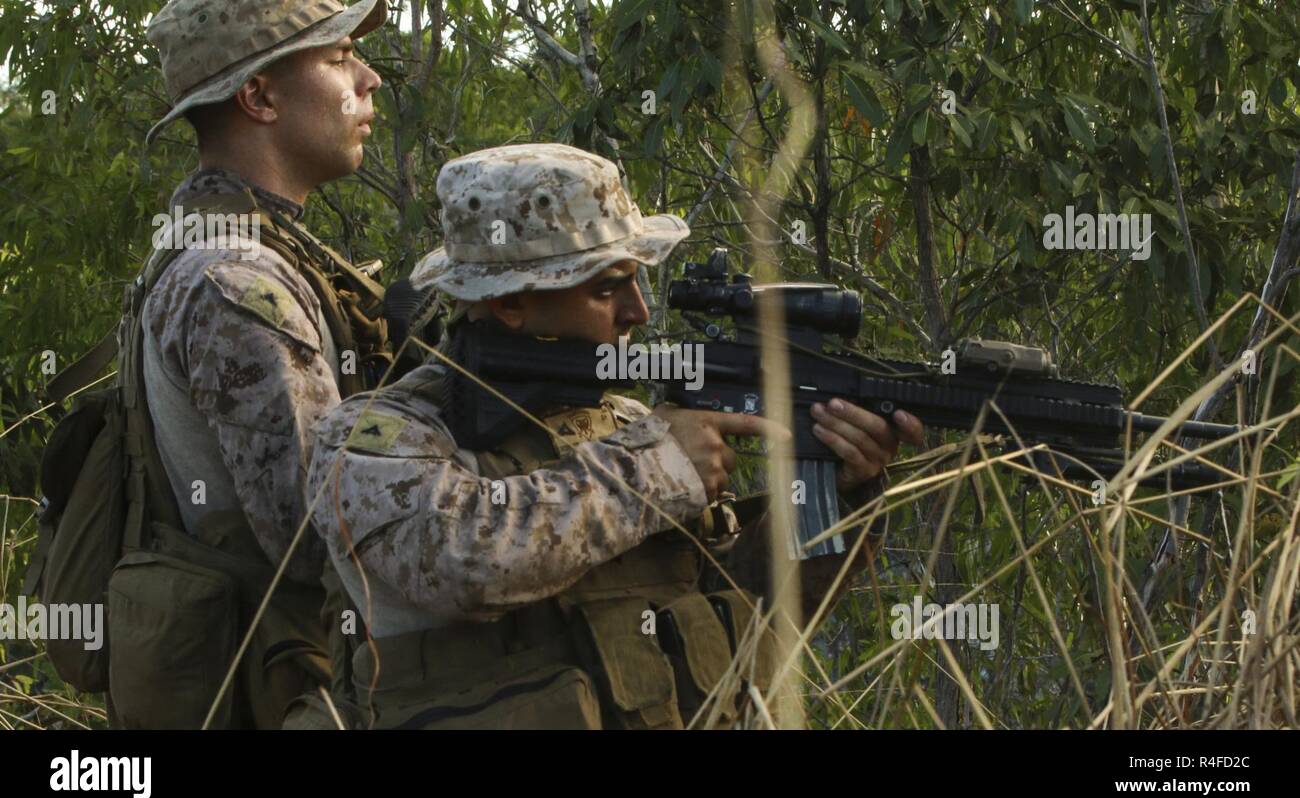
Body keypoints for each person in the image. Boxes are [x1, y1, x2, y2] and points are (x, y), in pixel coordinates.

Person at [307, 143, 925, 729]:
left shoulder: (625, 423)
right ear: (510, 305)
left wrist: (837, 499)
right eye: (605, 288)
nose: (639, 312)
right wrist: (654, 470)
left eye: (634, 280)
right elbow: (463, 561)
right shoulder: (375, 438)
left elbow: (741, 604)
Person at [106, 0, 388, 728]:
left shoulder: (228, 245)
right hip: (278, 688)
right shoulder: (236, 281)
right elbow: (322, 538)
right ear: (258, 96)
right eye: (337, 58)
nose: (370, 77)